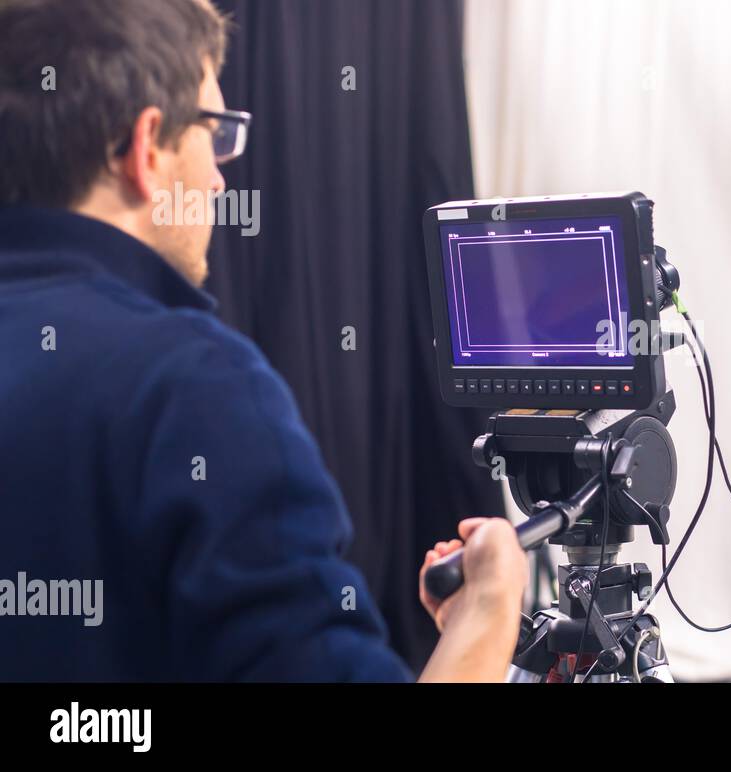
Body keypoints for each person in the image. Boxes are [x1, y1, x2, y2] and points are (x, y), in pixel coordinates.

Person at [0, 0, 527, 681]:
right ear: (146, 149)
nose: (220, 178)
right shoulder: (190, 387)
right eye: (214, 132)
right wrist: (488, 609)